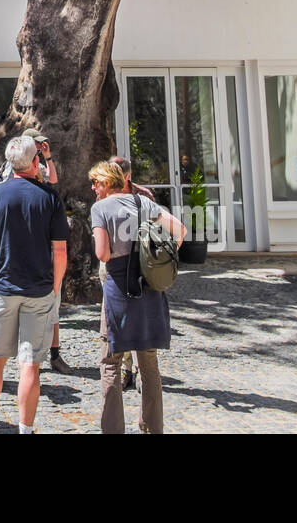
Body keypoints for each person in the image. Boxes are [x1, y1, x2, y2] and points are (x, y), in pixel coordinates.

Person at [0, 134, 68, 434]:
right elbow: (60, 251)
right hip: (39, 289)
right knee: (30, 365)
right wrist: (54, 287)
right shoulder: (49, 198)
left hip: (4, 287)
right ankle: (25, 429)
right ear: (34, 161)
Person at [88, 160, 187, 434]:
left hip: (119, 289)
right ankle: (152, 427)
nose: (93, 188)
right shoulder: (145, 204)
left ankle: (113, 430)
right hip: (149, 289)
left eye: (96, 182)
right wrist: (158, 257)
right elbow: (180, 232)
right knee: (149, 363)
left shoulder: (101, 209)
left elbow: (102, 254)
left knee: (110, 363)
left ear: (107, 183)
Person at [21, 127, 73, 375]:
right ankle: (31, 356)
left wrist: (48, 157)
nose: (40, 149)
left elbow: (53, 180)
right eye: (37, 146)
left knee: (54, 303)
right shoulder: (17, 170)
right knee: (28, 306)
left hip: (48, 246)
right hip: (30, 248)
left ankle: (54, 354)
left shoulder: (41, 168)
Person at [106, 154, 154, 390]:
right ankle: (126, 370)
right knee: (118, 321)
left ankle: (140, 371)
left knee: (139, 318)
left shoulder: (142, 196)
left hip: (139, 268)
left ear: (128, 175)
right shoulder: (104, 195)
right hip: (114, 269)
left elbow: (159, 233)